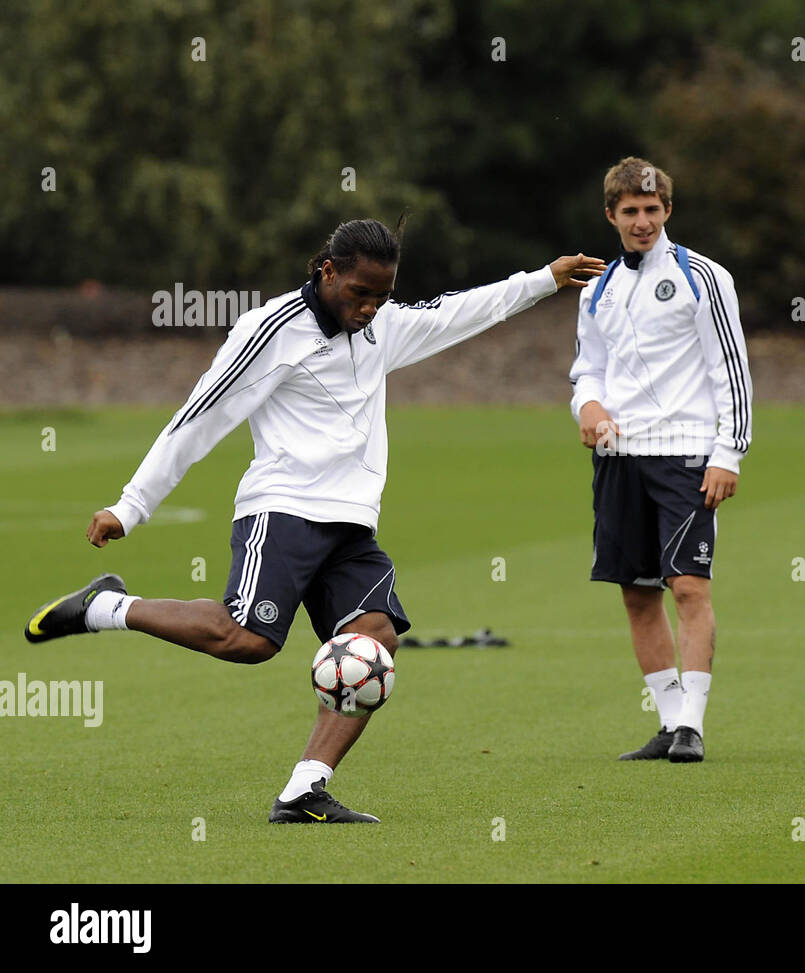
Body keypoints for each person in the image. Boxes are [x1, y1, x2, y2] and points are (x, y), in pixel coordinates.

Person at [24, 218, 604, 821]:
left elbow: (461, 311)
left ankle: (304, 790)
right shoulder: (272, 331)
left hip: (351, 526)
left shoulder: (383, 327)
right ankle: (106, 608)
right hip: (283, 511)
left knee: (374, 644)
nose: (371, 308)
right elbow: (199, 417)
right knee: (246, 640)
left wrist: (545, 279)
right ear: (327, 271)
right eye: (360, 293)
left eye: (382, 295)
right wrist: (131, 505)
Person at [569, 157, 753, 763]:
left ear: (667, 210)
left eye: (652, 210)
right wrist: (588, 408)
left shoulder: (703, 276)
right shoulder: (598, 286)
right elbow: (586, 368)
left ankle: (693, 726)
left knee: (689, 587)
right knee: (636, 593)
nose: (642, 221)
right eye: (631, 212)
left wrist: (728, 453)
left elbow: (730, 372)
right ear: (611, 215)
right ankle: (670, 721)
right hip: (618, 459)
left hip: (685, 455)